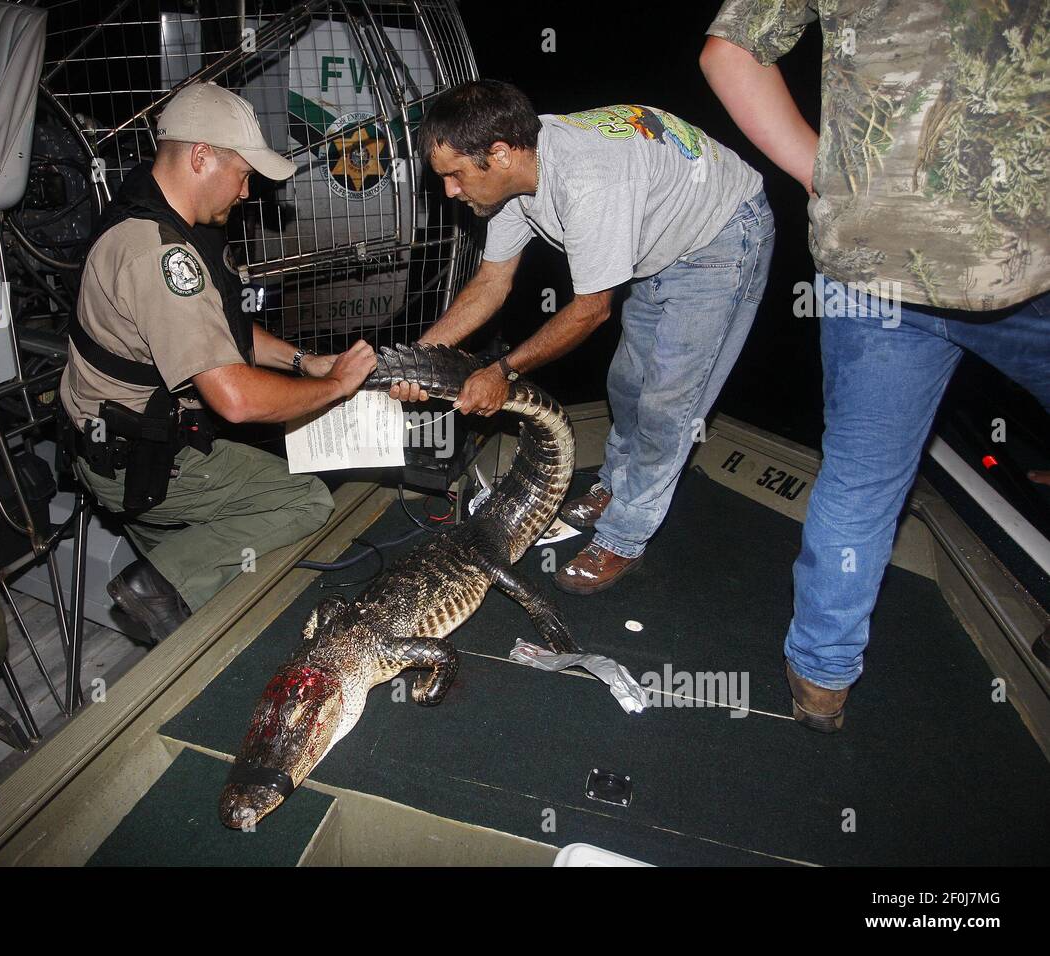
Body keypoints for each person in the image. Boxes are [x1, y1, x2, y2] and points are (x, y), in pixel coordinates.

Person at [701, 1, 1050, 731]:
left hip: (873, 262)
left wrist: (827, 180)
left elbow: (729, 52)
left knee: (859, 482)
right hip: (1022, 264)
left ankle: (820, 682)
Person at [392, 80, 773, 594]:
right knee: (628, 384)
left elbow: (592, 310)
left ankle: (625, 536)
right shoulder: (511, 181)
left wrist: (502, 371)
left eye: (455, 175)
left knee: (669, 406)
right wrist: (417, 361)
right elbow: (490, 283)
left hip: (720, 237)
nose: (450, 191)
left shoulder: (590, 183)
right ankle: (615, 486)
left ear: (500, 154)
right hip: (657, 236)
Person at [60, 82, 375, 645]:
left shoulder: (154, 212)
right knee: (303, 499)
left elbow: (217, 330)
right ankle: (158, 587)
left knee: (195, 596)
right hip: (145, 457)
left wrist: (304, 363)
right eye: (243, 173)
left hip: (116, 443)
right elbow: (237, 398)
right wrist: (339, 389)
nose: (248, 190)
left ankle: (174, 603)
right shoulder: (161, 256)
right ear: (201, 156)